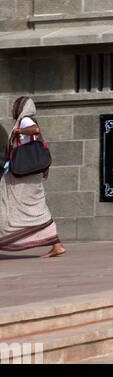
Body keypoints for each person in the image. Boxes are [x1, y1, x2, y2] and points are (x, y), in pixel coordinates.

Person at [0, 96, 65, 258]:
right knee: (32, 207)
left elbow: (35, 130)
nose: (13, 110)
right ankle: (56, 244)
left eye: (15, 106)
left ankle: (56, 244)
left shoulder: (25, 120)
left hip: (24, 176)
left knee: (22, 206)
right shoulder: (26, 120)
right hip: (28, 174)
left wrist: (18, 131)